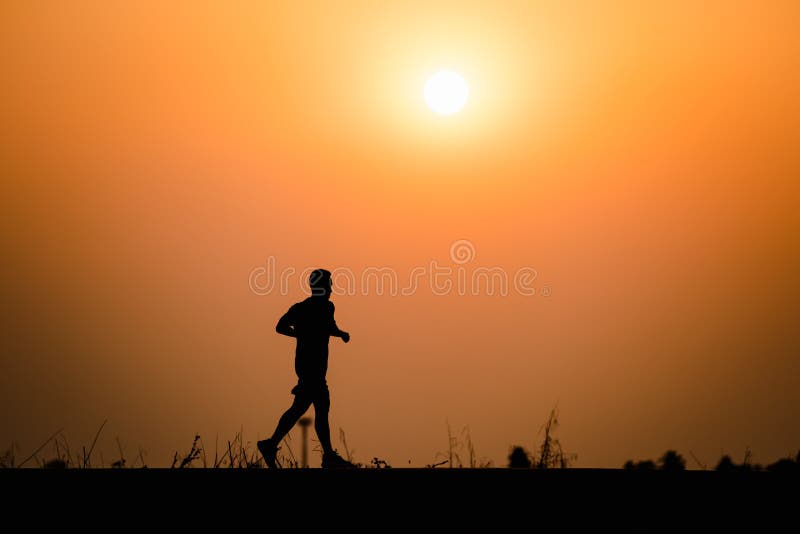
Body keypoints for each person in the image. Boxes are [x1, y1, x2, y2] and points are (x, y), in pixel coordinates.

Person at [257, 269, 355, 468]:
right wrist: (305, 336)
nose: (331, 288)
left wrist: (337, 333)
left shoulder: (301, 308)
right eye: (329, 284)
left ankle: (271, 444)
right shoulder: (325, 307)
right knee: (318, 406)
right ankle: (327, 456)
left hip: (308, 366)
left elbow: (283, 326)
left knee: (302, 408)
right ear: (322, 286)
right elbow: (285, 327)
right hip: (312, 367)